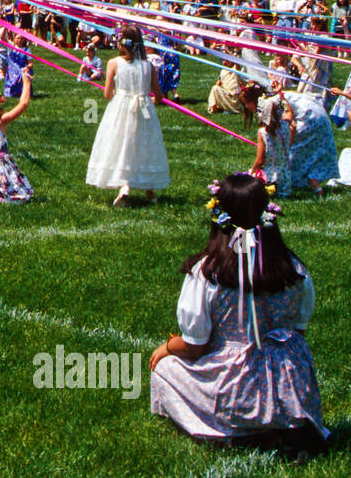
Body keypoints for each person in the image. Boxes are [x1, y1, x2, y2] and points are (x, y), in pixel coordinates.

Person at [149, 174, 328, 455]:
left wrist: (167, 347)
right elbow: (298, 331)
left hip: (237, 384)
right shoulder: (293, 269)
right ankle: (286, 425)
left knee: (165, 370)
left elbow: (196, 346)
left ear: (219, 215)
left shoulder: (209, 271)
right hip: (291, 385)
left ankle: (236, 430)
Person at [86, 25, 169, 207]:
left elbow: (107, 95)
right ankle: (150, 192)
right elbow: (159, 96)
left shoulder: (114, 63)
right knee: (144, 146)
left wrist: (119, 90)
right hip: (144, 109)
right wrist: (149, 101)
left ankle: (124, 186)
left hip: (120, 108)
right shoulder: (148, 65)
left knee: (121, 144)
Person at [250, 95, 294, 197]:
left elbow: (260, 160)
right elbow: (291, 116)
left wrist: (252, 172)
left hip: (270, 179)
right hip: (286, 179)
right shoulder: (286, 126)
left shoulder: (263, 132)